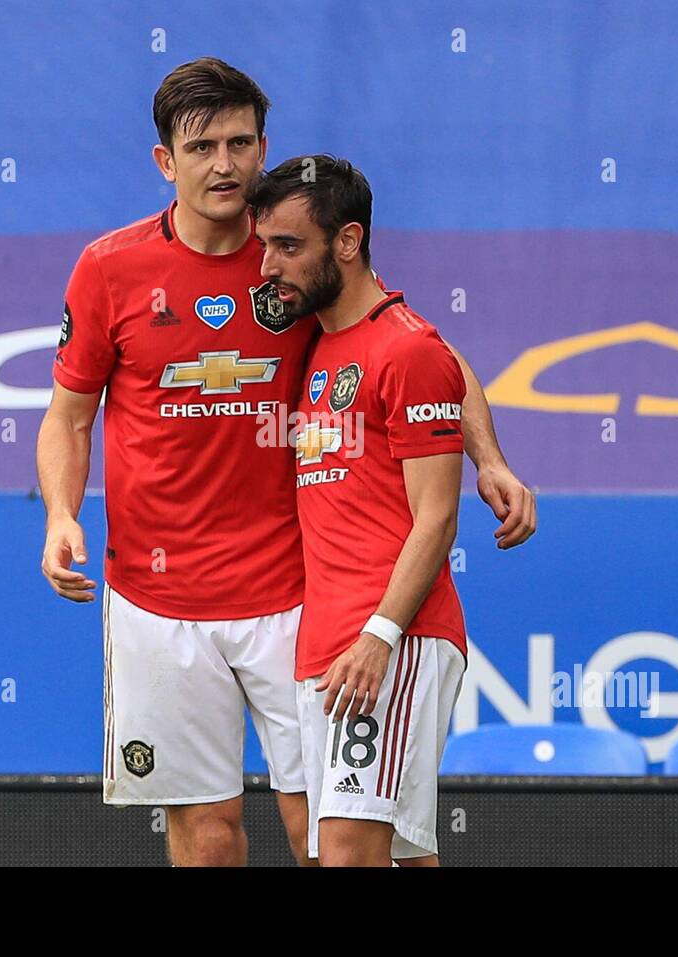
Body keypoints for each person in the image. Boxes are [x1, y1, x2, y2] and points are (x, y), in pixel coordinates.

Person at [36, 59, 534, 867]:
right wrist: (61, 513)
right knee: (207, 833)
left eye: (240, 142)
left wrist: (489, 460)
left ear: (264, 148)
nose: (224, 164)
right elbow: (68, 415)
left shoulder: (298, 254)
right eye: (202, 147)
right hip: (157, 603)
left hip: (294, 597)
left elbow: (417, 344)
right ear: (167, 161)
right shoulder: (108, 268)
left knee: (326, 836)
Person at [250, 155, 470, 866]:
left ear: (347, 242)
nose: (267, 266)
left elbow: (437, 517)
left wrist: (380, 634)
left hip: (390, 640)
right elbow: (458, 373)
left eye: (288, 246)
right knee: (397, 856)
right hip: (329, 643)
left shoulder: (407, 348)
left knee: (347, 852)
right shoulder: (317, 342)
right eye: (264, 246)